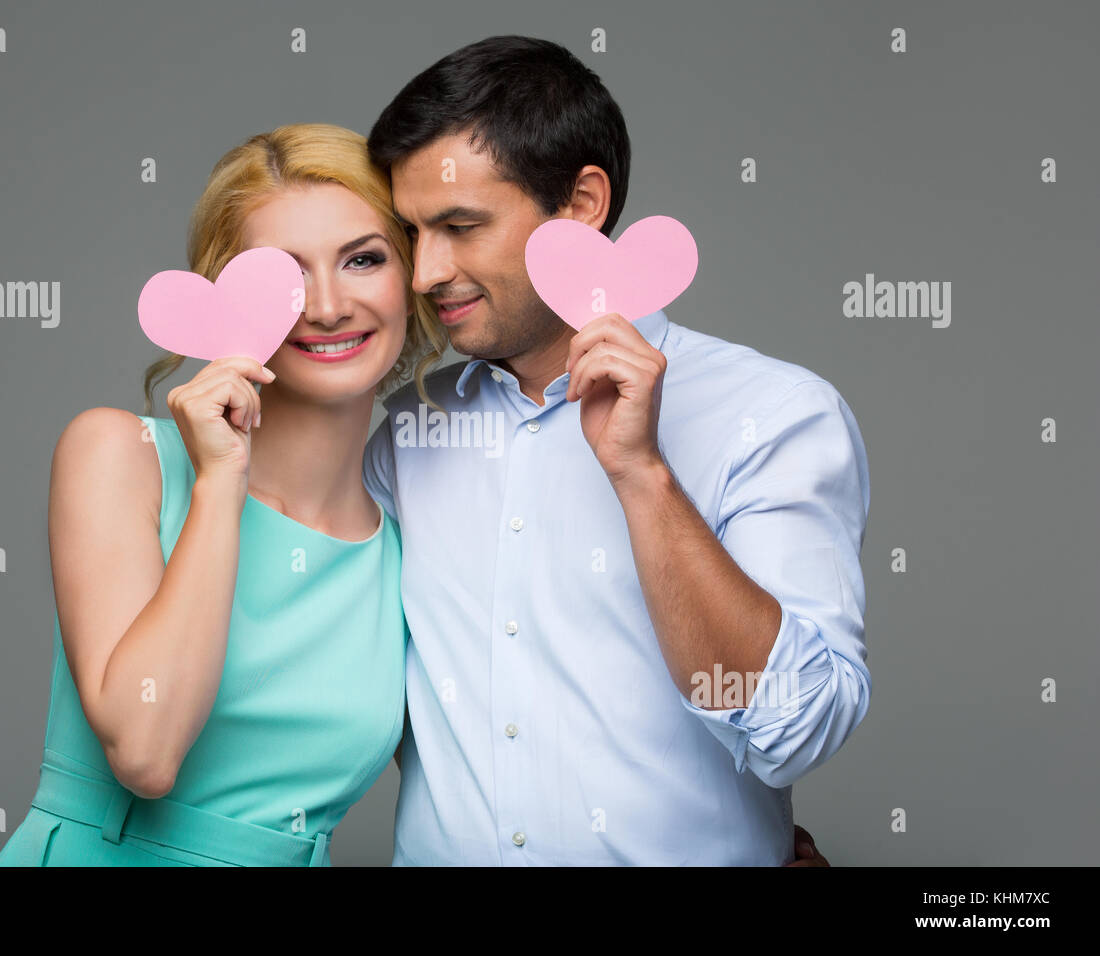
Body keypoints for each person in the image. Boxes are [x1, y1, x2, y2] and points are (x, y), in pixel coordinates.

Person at [361, 35, 869, 865]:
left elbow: (797, 730)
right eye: (412, 233)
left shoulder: (774, 414)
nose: (424, 274)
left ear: (581, 204)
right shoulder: (403, 440)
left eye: (459, 225)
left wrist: (643, 476)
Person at [0, 123, 445, 866]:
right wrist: (220, 485)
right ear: (227, 298)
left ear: (411, 276)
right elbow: (146, 753)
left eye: (363, 259)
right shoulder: (121, 455)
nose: (329, 306)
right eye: (285, 278)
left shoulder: (412, 540)